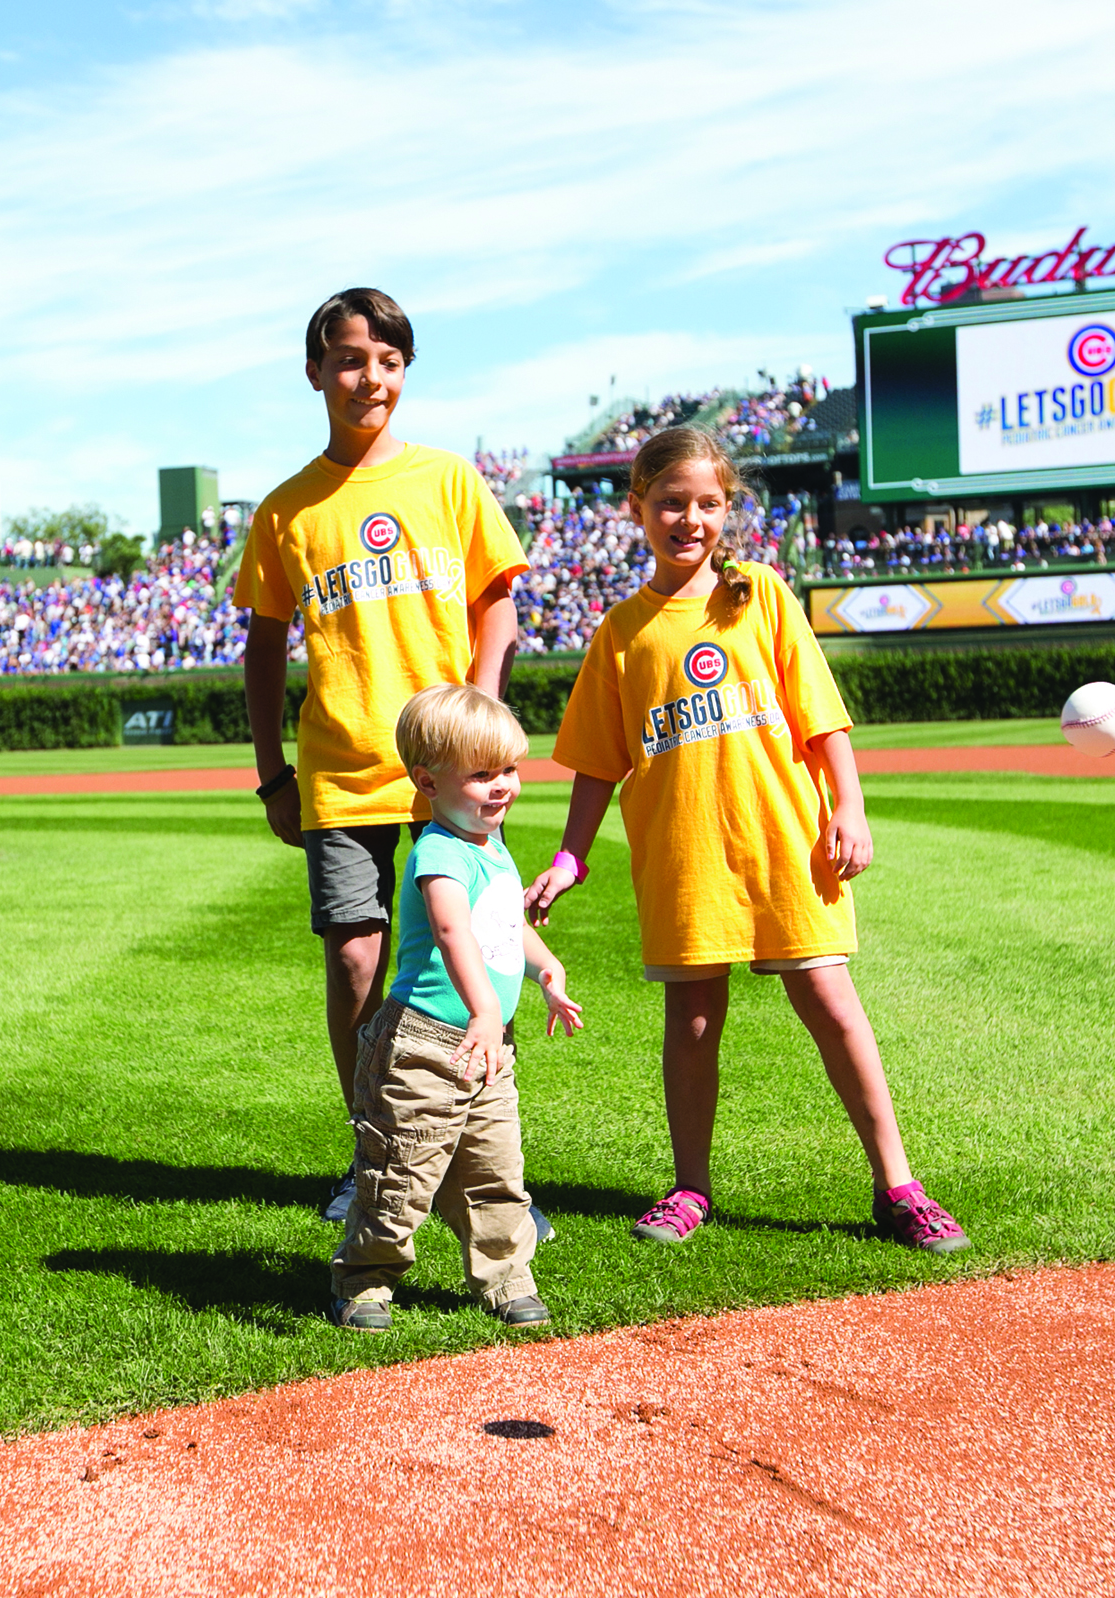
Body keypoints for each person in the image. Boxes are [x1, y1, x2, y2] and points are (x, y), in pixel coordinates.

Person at [524, 425, 969, 1255]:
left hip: (786, 843)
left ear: (728, 508)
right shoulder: (621, 631)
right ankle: (691, 1186)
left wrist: (851, 807)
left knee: (832, 1004)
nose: (688, 519)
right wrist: (569, 855)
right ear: (637, 510)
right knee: (692, 1018)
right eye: (669, 503)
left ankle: (898, 1183)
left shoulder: (759, 592)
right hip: (685, 855)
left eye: (706, 503)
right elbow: (595, 765)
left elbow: (822, 719)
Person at [234, 287, 534, 1227]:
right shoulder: (287, 509)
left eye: (391, 362)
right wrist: (271, 772)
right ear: (318, 370)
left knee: (478, 958)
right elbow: (263, 647)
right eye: (355, 360)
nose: (373, 378)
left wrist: (477, 725)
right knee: (359, 965)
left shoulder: (449, 479)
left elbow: (499, 607)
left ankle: (485, 1172)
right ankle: (378, 1156)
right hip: (340, 766)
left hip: (449, 771)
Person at [330, 684, 581, 1332]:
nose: (501, 787)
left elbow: (500, 923)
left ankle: (506, 1278)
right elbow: (453, 932)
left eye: (509, 770)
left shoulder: (490, 845)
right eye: (481, 775)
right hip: (423, 1044)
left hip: (485, 1043)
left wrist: (544, 967)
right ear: (428, 782)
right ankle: (365, 1281)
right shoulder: (440, 852)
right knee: (400, 1171)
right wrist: (483, 1011)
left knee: (496, 1169)